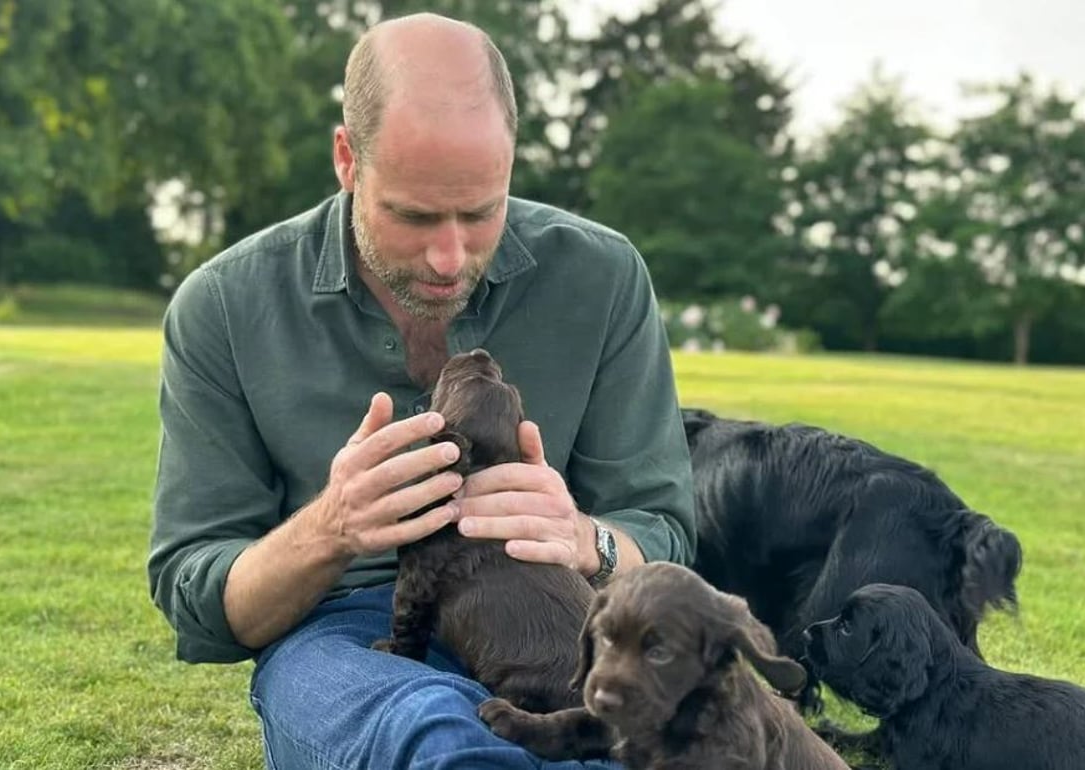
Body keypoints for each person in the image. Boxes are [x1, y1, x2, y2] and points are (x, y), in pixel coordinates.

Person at [147, 11, 695, 770]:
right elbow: (197, 595)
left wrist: (588, 541)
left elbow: (664, 531)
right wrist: (329, 529)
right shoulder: (225, 307)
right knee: (435, 740)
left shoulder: (602, 277)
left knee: (609, 745)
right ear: (347, 158)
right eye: (411, 215)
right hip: (343, 633)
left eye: (480, 213)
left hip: (553, 621)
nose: (448, 255)